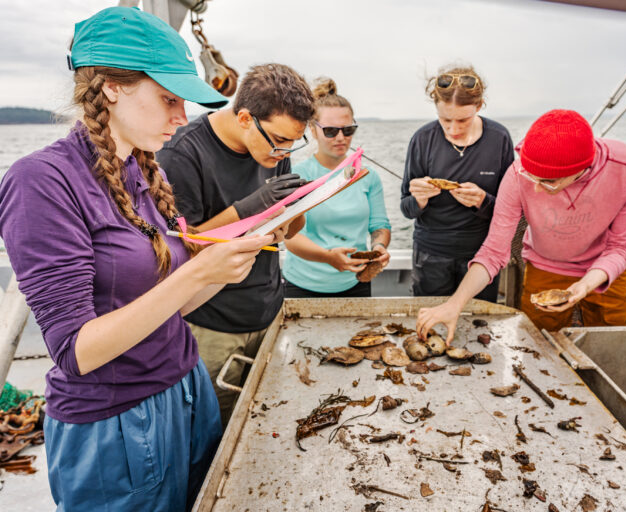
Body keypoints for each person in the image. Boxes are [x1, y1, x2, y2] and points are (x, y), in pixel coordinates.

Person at [0, 7, 277, 510]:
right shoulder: (40, 181)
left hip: (187, 390)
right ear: (111, 87)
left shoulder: (145, 173)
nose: (182, 117)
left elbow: (174, 306)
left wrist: (236, 256)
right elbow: (76, 351)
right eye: (169, 98)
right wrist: (195, 269)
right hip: (116, 423)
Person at [156, 63, 314, 426]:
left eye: (294, 141)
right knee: (213, 429)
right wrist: (249, 207)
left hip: (270, 308)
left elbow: (289, 230)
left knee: (266, 420)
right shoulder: (181, 153)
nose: (284, 151)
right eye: (279, 141)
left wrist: (300, 204)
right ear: (245, 117)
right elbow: (183, 248)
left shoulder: (275, 145)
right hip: (213, 324)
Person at [416, 109, 626, 342]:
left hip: (608, 272)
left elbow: (622, 246)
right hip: (544, 267)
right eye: (531, 177)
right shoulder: (517, 174)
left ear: (580, 171)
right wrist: (454, 304)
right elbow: (494, 252)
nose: (536, 189)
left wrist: (586, 284)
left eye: (548, 182)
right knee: (537, 345)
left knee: (608, 346)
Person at [400, 65, 515, 302]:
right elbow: (406, 209)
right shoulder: (422, 139)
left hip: (482, 254)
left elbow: (509, 211)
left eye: (463, 120)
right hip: (430, 254)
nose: (453, 130)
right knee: (429, 324)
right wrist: (419, 200)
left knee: (479, 323)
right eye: (445, 120)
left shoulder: (499, 138)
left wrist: (483, 201)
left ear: (479, 106)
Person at [283, 78, 391, 297]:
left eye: (348, 130)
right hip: (302, 285)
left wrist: (379, 247)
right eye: (331, 131)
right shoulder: (299, 176)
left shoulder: (368, 177)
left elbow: (379, 224)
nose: (341, 138)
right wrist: (328, 256)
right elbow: (291, 238)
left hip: (357, 282)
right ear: (313, 130)